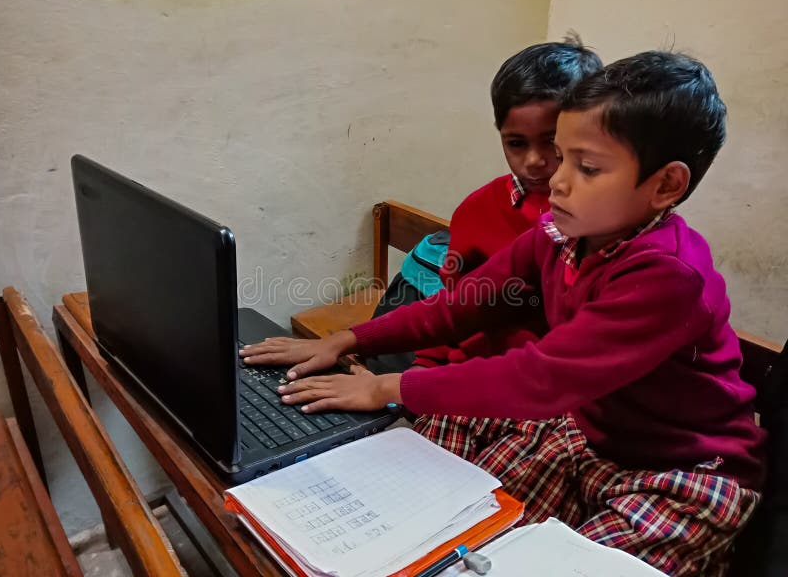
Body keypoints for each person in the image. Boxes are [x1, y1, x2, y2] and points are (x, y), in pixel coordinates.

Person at [241, 51, 766, 576]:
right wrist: (348, 340)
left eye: (586, 168)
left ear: (666, 186)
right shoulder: (560, 235)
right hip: (586, 433)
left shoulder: (667, 274)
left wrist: (386, 387)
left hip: (680, 471)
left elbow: (541, 378)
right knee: (442, 521)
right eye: (562, 157)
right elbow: (461, 304)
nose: (555, 181)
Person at [412, 35, 602, 369]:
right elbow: (452, 308)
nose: (533, 160)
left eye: (551, 142)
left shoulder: (605, 221)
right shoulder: (476, 211)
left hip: (552, 393)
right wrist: (421, 370)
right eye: (516, 143)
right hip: (471, 376)